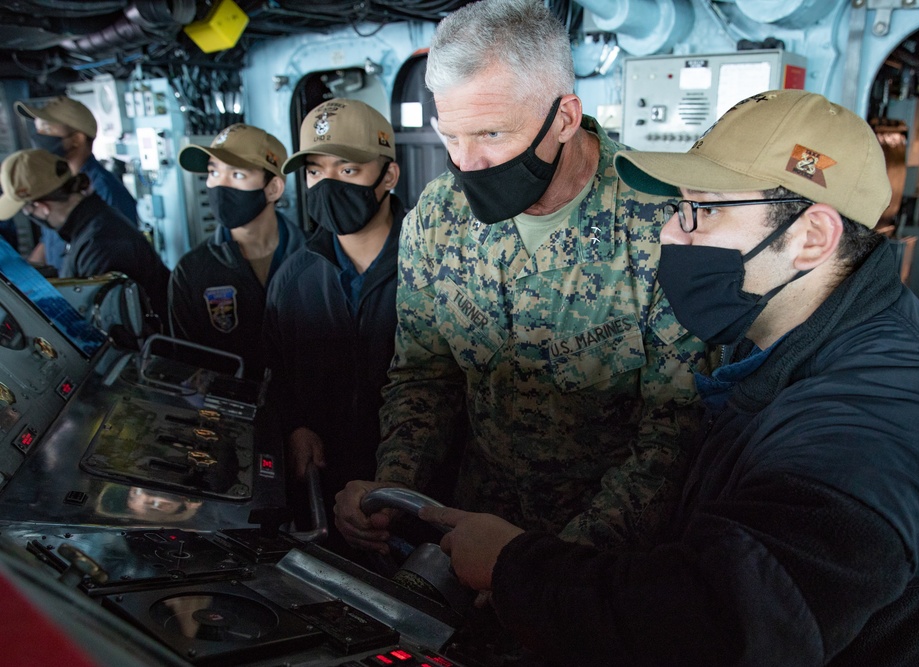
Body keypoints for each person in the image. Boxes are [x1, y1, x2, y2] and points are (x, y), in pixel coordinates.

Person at [419, 90, 919, 666]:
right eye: (679, 207)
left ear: (811, 238)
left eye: (705, 210)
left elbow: (724, 623)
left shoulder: (884, 418)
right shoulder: (777, 331)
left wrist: (515, 567)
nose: (671, 234)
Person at [334, 0, 706, 554]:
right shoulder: (437, 217)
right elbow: (424, 376)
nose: (467, 164)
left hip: (602, 558)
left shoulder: (664, 225)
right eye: (451, 136)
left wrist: (538, 571)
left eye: (490, 133)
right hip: (468, 528)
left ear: (564, 119)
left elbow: (674, 431)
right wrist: (393, 489)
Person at [262, 99, 404, 551]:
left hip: (420, 493)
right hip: (325, 492)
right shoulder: (293, 278)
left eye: (347, 170)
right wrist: (295, 426)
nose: (327, 184)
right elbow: (275, 373)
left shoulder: (434, 266)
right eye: (314, 172)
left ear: (388, 176)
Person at [169, 124, 303, 381]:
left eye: (237, 174)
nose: (220, 185)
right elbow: (187, 368)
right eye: (213, 172)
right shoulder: (191, 272)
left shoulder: (316, 261)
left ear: (273, 188)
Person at [0, 149, 169, 325]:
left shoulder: (100, 243)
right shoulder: (91, 225)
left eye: (27, 210)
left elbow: (105, 325)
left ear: (42, 207)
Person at [15, 96, 139, 273]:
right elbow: (50, 240)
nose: (39, 137)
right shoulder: (56, 184)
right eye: (38, 129)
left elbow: (111, 259)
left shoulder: (104, 190)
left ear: (77, 139)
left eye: (47, 129)